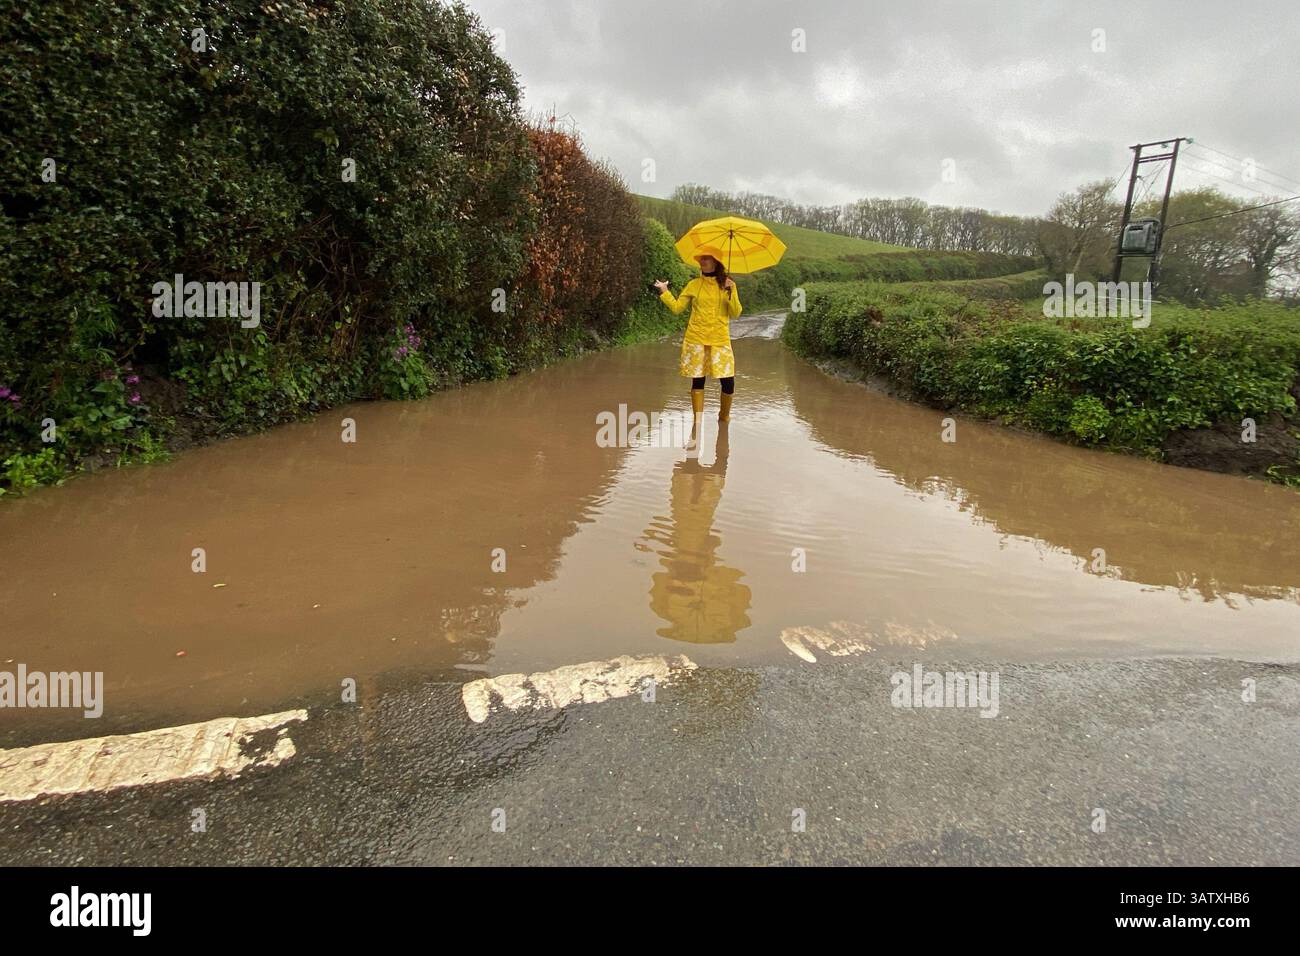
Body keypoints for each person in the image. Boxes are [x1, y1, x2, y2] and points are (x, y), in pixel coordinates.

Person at [653, 247, 742, 422]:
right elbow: (678, 308)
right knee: (698, 380)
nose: (702, 261)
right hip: (697, 338)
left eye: (706, 258)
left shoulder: (728, 285)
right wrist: (664, 291)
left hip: (719, 339)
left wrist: (730, 293)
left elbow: (736, 313)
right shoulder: (694, 284)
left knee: (728, 381)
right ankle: (697, 421)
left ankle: (724, 416)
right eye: (701, 259)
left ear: (716, 262)